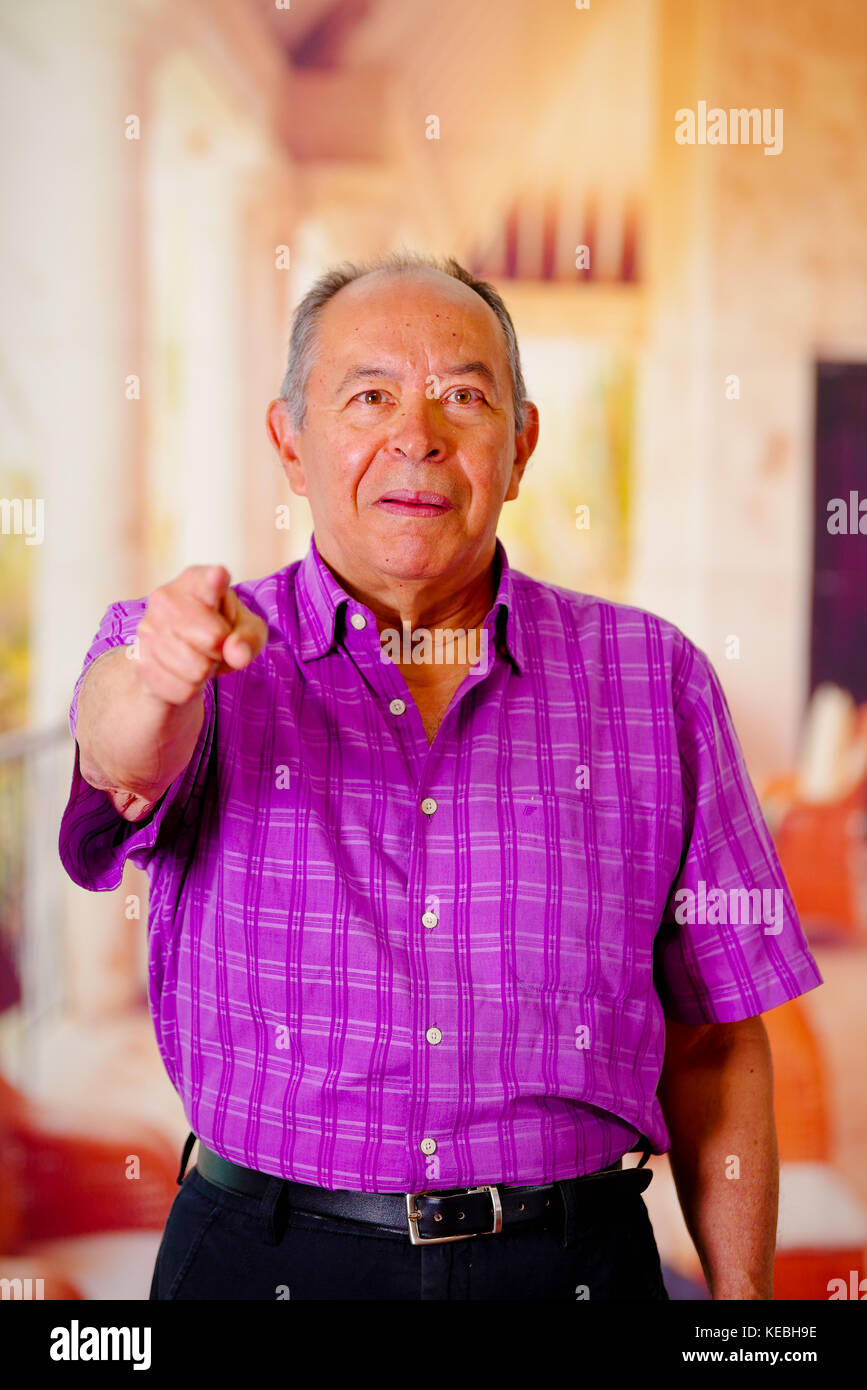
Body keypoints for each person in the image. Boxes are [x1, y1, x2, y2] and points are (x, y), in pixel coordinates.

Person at [59, 252, 822, 1301]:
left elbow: (716, 1041)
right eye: (369, 395)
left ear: (520, 446)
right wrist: (157, 675)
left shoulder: (658, 679)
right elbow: (117, 749)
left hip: (572, 1266)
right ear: (290, 442)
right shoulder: (187, 655)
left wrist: (745, 1319)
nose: (416, 433)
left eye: (464, 396)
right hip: (265, 1259)